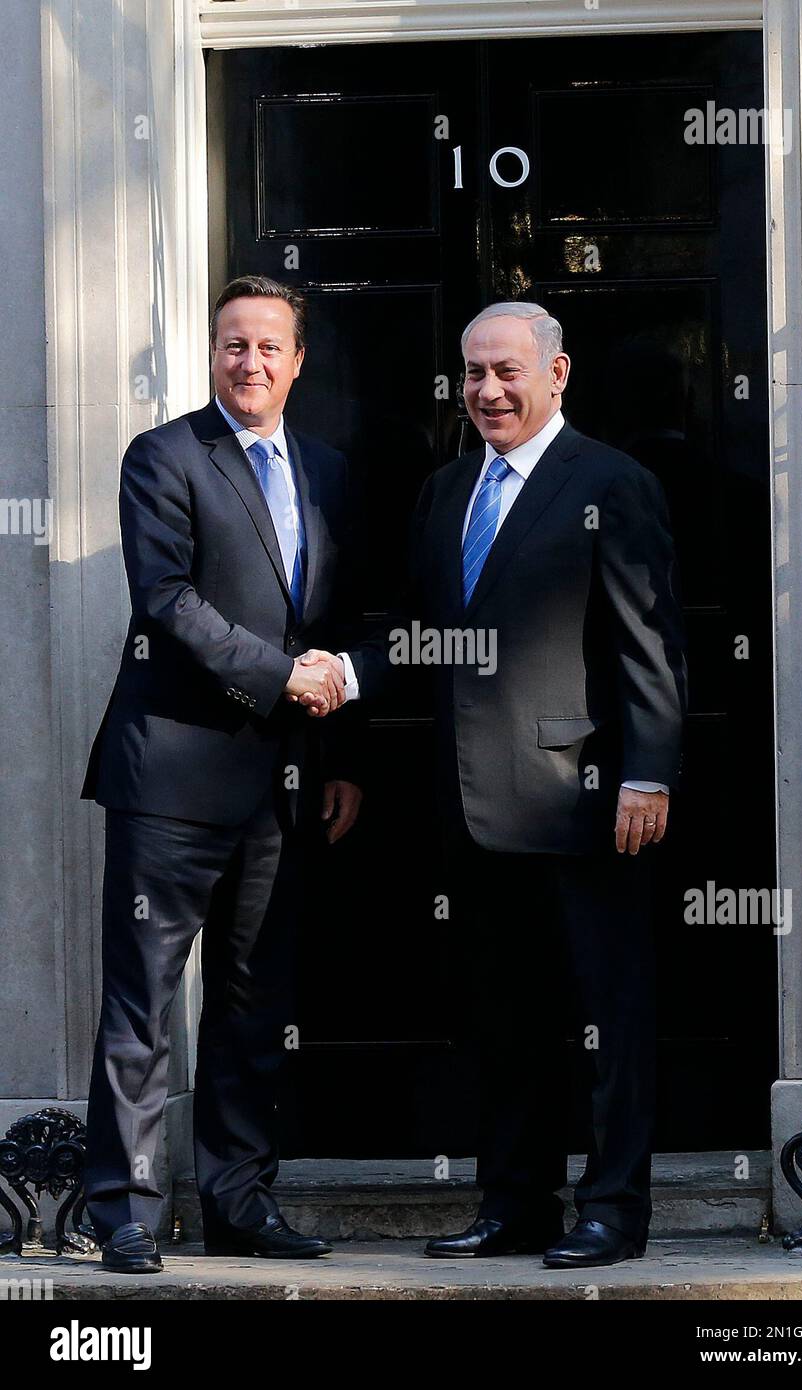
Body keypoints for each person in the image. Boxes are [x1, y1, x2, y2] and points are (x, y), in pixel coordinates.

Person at [304, 302, 687, 1269]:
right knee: (504, 1018)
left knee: (608, 1017)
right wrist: (345, 675)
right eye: (473, 373)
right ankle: (514, 1203)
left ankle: (613, 1211)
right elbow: (420, 633)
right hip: (473, 804)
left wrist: (647, 772)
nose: (486, 391)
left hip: (586, 798)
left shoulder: (611, 481)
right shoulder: (445, 490)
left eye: (507, 371)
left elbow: (650, 643)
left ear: (556, 374)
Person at [80, 275, 363, 1273]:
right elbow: (167, 600)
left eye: (268, 346)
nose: (249, 362)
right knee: (143, 1002)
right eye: (233, 344)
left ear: (297, 362)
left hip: (282, 785)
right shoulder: (162, 456)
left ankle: (241, 1202)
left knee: (253, 1004)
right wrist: (282, 676)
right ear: (212, 354)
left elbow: (337, 618)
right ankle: (122, 1209)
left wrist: (340, 750)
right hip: (170, 777)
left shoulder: (327, 470)